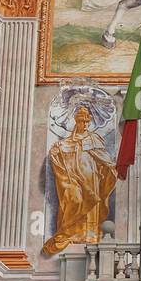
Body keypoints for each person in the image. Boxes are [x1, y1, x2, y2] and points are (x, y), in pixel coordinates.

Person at [42, 106, 116, 256]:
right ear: (77, 122)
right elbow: (61, 152)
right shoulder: (68, 141)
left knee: (91, 205)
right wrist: (56, 150)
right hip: (75, 178)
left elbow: (103, 157)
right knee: (73, 199)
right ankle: (71, 232)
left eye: (86, 122)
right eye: (82, 121)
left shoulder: (94, 139)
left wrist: (111, 167)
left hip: (91, 177)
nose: (85, 125)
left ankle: (90, 233)